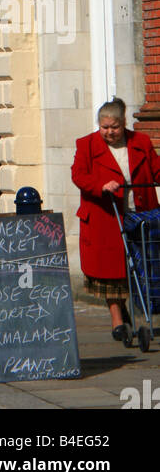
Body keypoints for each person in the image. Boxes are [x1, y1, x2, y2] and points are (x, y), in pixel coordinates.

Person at [71, 98, 160, 340]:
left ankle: (139, 311)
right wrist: (101, 185)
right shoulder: (86, 145)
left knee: (144, 265)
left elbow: (156, 168)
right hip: (105, 216)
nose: (109, 132)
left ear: (123, 123)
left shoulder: (140, 142)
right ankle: (117, 320)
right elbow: (78, 176)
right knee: (112, 271)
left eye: (114, 127)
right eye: (104, 127)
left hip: (140, 212)